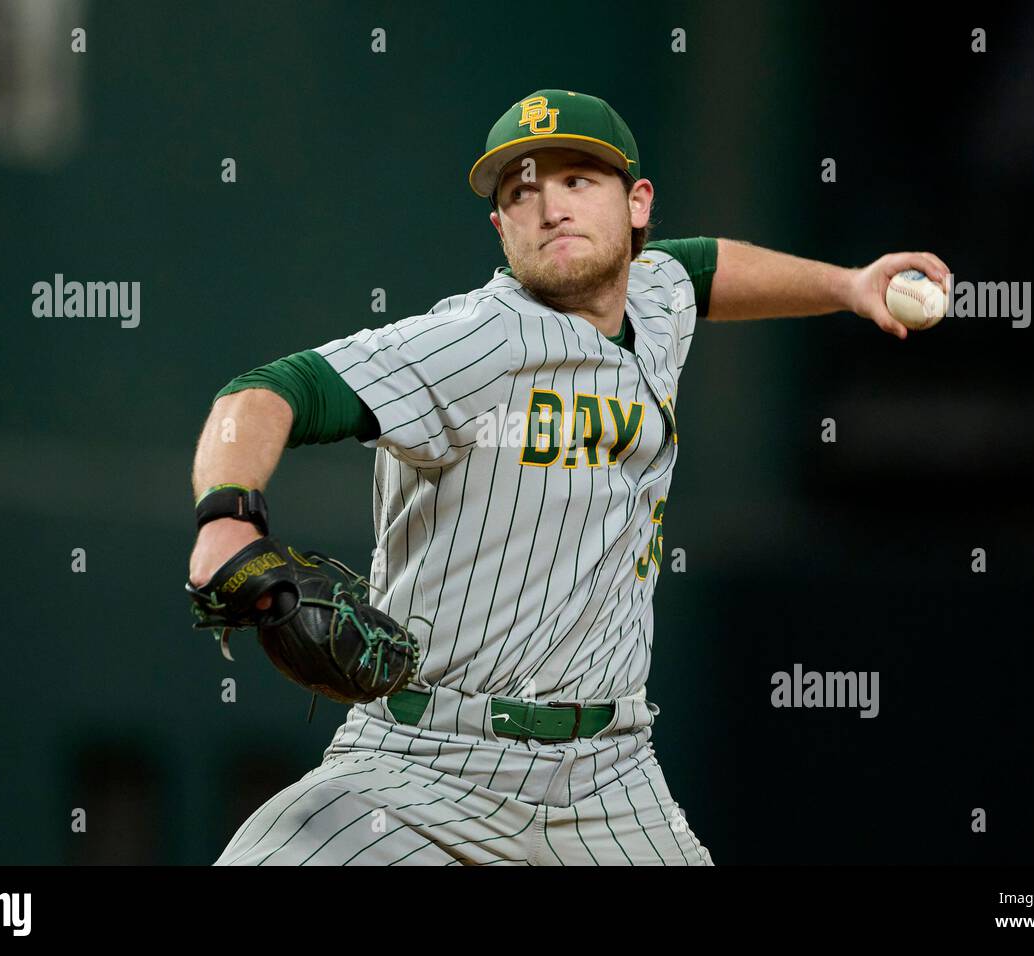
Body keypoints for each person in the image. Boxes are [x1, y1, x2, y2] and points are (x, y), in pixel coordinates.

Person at [189, 89, 949, 865]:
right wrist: (228, 516)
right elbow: (265, 391)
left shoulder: (651, 300)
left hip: (610, 779)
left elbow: (704, 270)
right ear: (500, 226)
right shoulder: (475, 341)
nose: (550, 207)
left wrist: (848, 285)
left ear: (637, 205)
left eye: (578, 181)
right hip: (423, 765)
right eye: (521, 191)